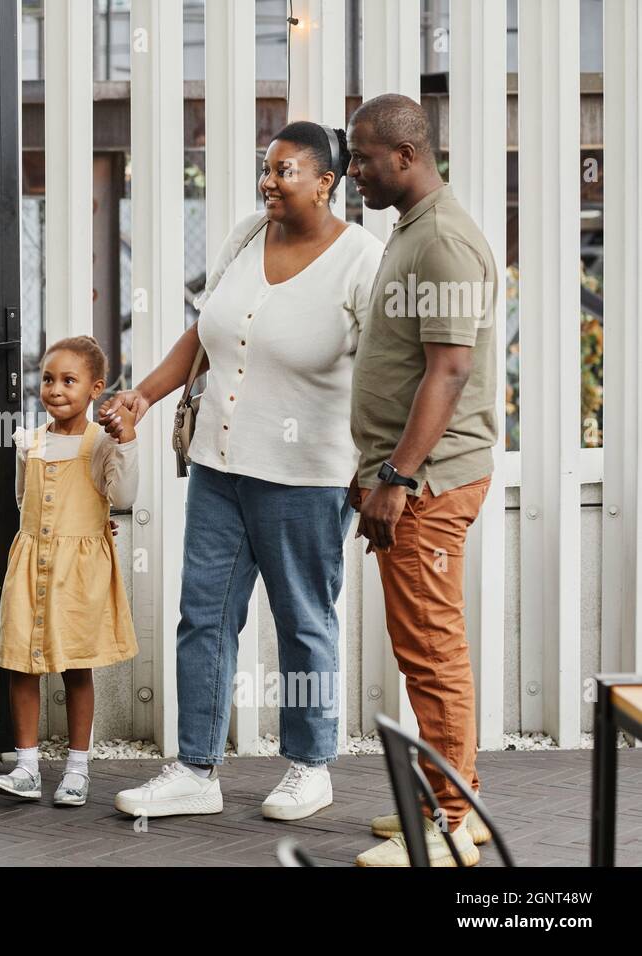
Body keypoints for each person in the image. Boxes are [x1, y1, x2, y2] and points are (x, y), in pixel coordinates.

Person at [100, 121, 382, 821]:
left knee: (302, 621)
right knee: (204, 616)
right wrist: (141, 396)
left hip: (308, 475)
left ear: (327, 181)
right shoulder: (247, 236)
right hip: (219, 466)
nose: (269, 181)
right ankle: (196, 768)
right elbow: (203, 332)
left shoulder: (362, 261)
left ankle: (310, 765)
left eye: (285, 171)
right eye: (267, 167)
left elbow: (387, 374)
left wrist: (380, 469)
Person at [344, 93, 498, 867]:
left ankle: (445, 825)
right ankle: (457, 804)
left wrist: (396, 477)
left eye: (363, 157)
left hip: (428, 485)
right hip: (410, 478)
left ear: (406, 154)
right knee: (427, 647)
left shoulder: (440, 240)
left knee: (432, 652)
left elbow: (450, 369)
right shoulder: (412, 230)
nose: (352, 172)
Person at [0, 335, 139, 808]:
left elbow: (126, 497)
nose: (55, 389)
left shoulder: (101, 444)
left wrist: (128, 440)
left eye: (69, 380)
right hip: (30, 562)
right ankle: (27, 766)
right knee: (19, 662)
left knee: (76, 666)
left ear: (95, 389)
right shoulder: (27, 441)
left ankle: (77, 769)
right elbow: (21, 498)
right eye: (48, 378)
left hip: (79, 574)